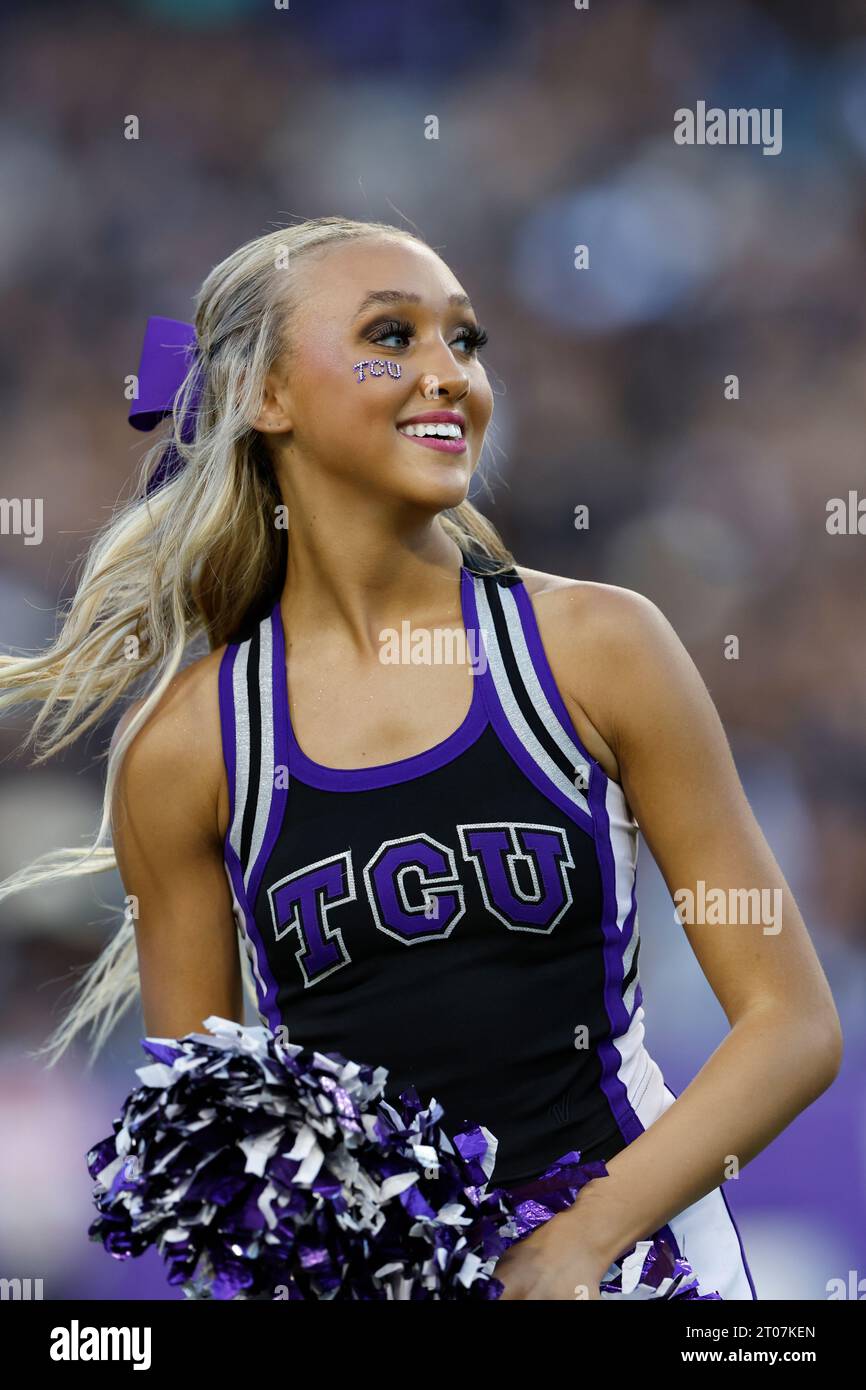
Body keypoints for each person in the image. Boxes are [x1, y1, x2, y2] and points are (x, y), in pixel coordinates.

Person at [0, 215, 842, 1301]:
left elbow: (793, 1026)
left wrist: (580, 1241)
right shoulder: (189, 745)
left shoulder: (592, 647)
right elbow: (214, 1138)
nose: (447, 375)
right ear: (267, 398)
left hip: (641, 1264)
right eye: (390, 337)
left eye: (464, 341)